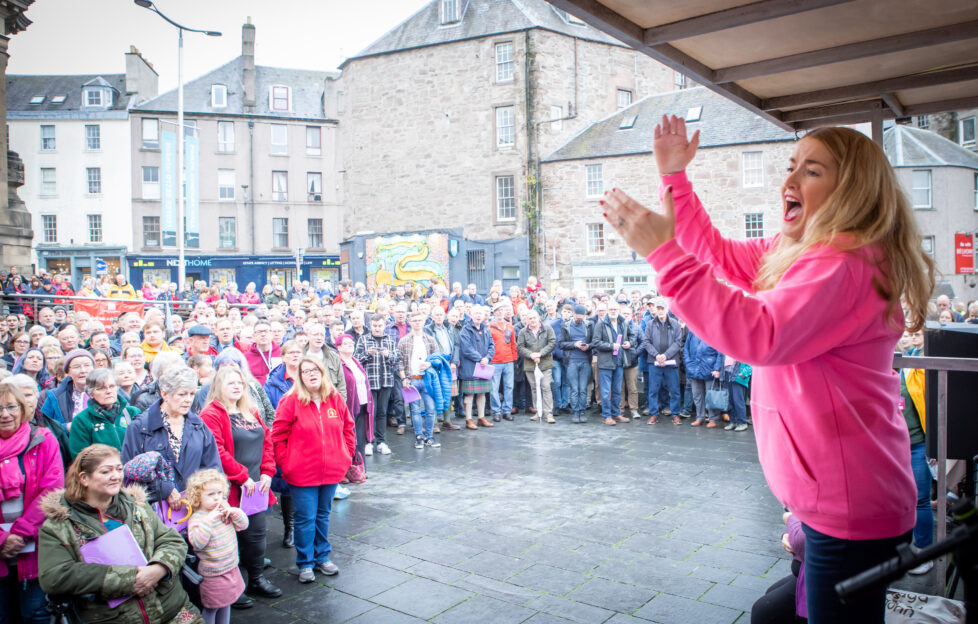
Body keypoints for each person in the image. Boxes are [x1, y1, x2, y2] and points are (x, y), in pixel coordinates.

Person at [602, 118, 934, 621]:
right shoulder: (803, 252)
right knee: (771, 614)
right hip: (827, 502)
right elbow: (716, 254)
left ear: (852, 191)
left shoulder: (846, 265)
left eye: (812, 171)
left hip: (848, 507)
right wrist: (674, 177)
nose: (790, 181)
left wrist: (664, 255)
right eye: (791, 167)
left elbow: (759, 334)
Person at [37, 444, 201, 624]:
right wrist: (130, 579)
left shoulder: (136, 506)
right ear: (84, 478)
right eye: (106, 471)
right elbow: (55, 576)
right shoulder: (59, 525)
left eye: (118, 469)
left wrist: (158, 569)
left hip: (171, 609)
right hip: (113, 618)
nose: (115, 476)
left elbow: (171, 540)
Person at [198, 367, 281, 600]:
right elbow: (217, 451)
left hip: (255, 487)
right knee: (229, 539)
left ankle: (256, 580)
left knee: (256, 535)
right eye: (230, 383)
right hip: (230, 488)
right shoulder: (211, 414)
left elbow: (267, 441)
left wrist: (267, 471)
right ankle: (233, 589)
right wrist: (242, 476)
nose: (237, 387)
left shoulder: (249, 410)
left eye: (240, 383)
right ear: (218, 387)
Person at [271, 356, 355, 584]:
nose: (311, 374)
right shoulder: (291, 401)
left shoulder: (334, 398)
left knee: (322, 515)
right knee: (305, 518)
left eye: (315, 369)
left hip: (331, 471)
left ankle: (322, 557)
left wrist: (345, 455)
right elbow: (277, 436)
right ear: (300, 377)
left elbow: (348, 428)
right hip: (301, 472)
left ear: (322, 372)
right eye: (306, 371)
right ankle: (306, 562)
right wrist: (286, 463)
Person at [0, 381, 64, 624]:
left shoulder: (42, 439)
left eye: (11, 407)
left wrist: (21, 533)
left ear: (22, 408)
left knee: (36, 615)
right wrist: (2, 539)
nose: (5, 414)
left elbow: (53, 489)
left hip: (35, 545)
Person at [122, 366, 221, 505]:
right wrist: (164, 489)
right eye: (182, 394)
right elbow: (129, 473)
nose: (188, 400)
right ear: (164, 394)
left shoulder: (199, 425)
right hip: (154, 509)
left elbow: (213, 469)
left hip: (194, 507)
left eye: (192, 394)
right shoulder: (140, 426)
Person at [185, 469, 249, 624]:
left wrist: (234, 512)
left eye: (219, 493)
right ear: (197, 496)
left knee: (227, 603)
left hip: (231, 567)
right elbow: (197, 543)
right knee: (212, 607)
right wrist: (209, 520)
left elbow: (243, 525)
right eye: (210, 494)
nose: (216, 498)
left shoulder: (224, 509)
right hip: (214, 574)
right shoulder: (197, 519)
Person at [899, 329, 933, 576]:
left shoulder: (923, 365)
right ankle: (897, 551)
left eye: (916, 334)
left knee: (920, 499)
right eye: (907, 334)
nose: (910, 338)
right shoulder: (894, 361)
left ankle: (924, 552)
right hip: (893, 446)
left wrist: (933, 444)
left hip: (918, 442)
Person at [68, 368, 140, 458]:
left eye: (112, 386)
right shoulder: (81, 421)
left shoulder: (133, 413)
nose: (109, 391)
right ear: (91, 393)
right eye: (101, 388)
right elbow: (80, 458)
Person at [353, 314, 399, 454]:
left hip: (386, 382)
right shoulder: (363, 339)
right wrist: (368, 354)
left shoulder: (390, 340)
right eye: (374, 326)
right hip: (370, 383)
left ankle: (381, 441)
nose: (377, 328)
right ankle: (369, 441)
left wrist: (388, 355)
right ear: (370, 325)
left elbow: (397, 359)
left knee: (382, 412)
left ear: (384, 326)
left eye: (380, 326)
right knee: (370, 413)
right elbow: (356, 360)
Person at [640, 299, 683, 424]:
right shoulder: (650, 324)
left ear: (667, 309)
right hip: (654, 362)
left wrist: (666, 355)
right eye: (658, 309)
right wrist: (657, 355)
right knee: (653, 390)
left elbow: (678, 342)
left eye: (662, 308)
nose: (660, 311)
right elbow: (646, 342)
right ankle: (654, 414)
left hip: (671, 362)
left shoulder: (675, 324)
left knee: (674, 390)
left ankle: (675, 414)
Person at [336, 334, 374, 458]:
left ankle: (361, 465)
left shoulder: (355, 361)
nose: (350, 345)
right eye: (346, 343)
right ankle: (350, 464)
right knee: (350, 437)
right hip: (348, 406)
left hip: (362, 404)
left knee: (360, 438)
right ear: (339, 347)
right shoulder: (338, 363)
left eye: (351, 343)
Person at [457, 305, 495, 429]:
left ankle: (481, 418)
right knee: (470, 394)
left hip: (483, 366)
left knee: (482, 393)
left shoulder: (486, 328)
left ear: (484, 315)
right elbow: (466, 349)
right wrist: (480, 359)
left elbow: (492, 345)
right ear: (471, 315)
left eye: (480, 313)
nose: (479, 316)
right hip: (470, 367)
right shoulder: (466, 329)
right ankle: (468, 419)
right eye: (476, 313)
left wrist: (487, 358)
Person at [516, 310, 557, 424]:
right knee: (534, 388)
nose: (532, 320)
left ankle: (548, 413)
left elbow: (552, 343)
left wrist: (540, 354)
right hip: (530, 364)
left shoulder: (547, 328)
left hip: (545, 363)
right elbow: (520, 347)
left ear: (538, 318)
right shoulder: (523, 332)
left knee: (546, 387)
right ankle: (538, 411)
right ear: (527, 320)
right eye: (530, 318)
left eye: (534, 318)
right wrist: (531, 355)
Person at [592, 302, 629, 426]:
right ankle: (606, 416)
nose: (613, 311)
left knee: (617, 390)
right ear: (608, 310)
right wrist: (611, 346)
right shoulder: (601, 324)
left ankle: (616, 413)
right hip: (605, 362)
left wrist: (628, 343)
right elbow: (596, 342)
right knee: (606, 391)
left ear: (619, 310)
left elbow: (628, 337)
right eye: (611, 309)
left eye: (615, 309)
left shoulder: (622, 323)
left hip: (619, 361)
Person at [559, 305, 593, 423]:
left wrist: (588, 346)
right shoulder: (565, 325)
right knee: (574, 389)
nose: (579, 319)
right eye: (578, 317)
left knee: (583, 389)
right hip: (571, 361)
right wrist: (574, 344)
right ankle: (575, 412)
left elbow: (595, 342)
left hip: (585, 360)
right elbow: (561, 344)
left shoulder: (589, 325)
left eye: (581, 317)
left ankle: (582, 412)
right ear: (573, 314)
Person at [683, 329, 724, 427]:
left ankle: (713, 419)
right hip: (694, 368)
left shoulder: (714, 332)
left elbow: (720, 352)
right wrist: (689, 365)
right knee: (697, 395)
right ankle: (699, 417)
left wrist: (717, 368)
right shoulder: (692, 331)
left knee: (711, 396)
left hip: (710, 369)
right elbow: (686, 350)